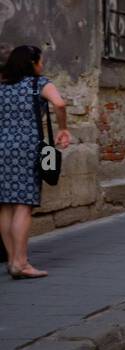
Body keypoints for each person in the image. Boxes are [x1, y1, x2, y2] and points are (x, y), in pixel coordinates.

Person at [0, 45, 71, 279]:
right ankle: (22, 263)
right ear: (33, 63)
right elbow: (59, 104)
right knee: (23, 205)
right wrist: (63, 128)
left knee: (7, 205)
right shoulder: (38, 83)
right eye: (41, 61)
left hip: (2, 147)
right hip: (27, 147)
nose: (43, 65)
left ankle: (12, 261)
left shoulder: (2, 84)